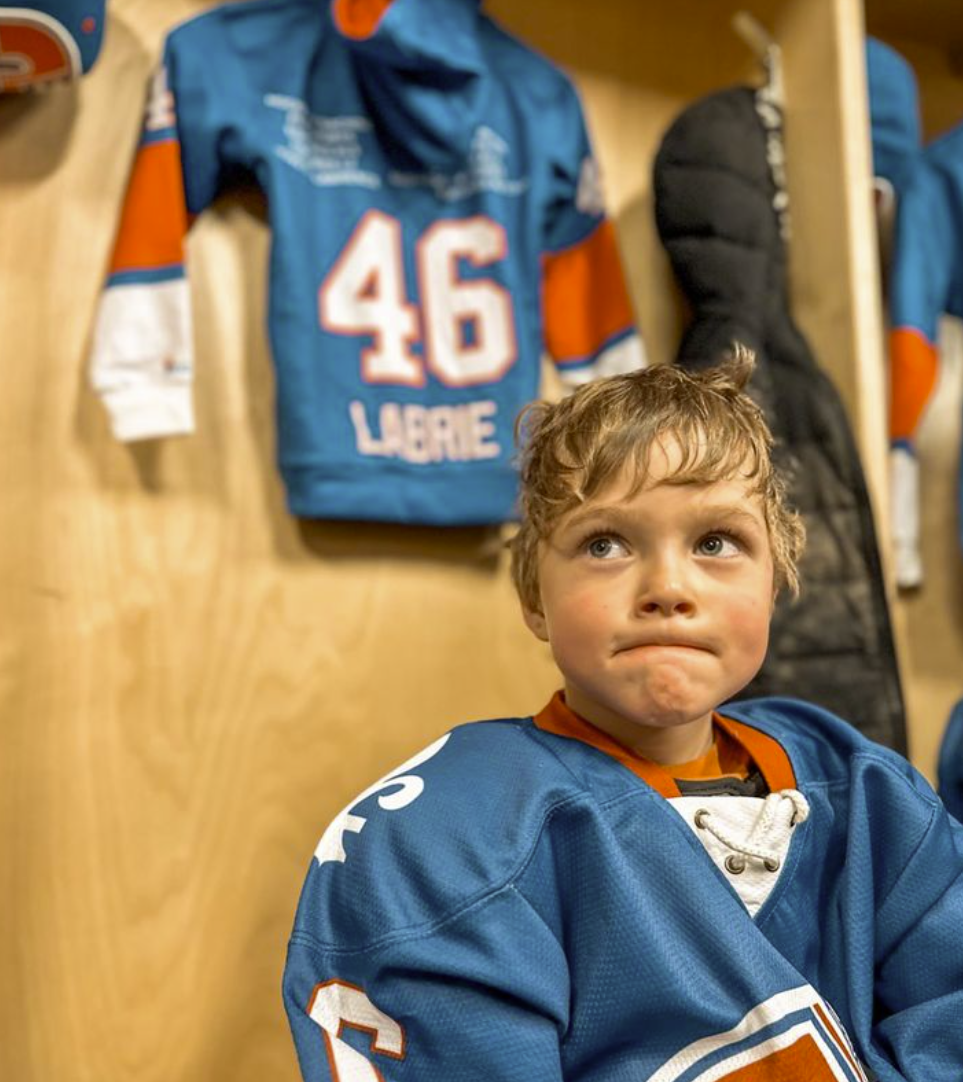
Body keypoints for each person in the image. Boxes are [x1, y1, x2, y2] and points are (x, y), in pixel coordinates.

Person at [282, 348, 963, 1081]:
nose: (667, 587)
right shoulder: (444, 845)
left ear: (775, 581)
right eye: (604, 544)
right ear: (534, 596)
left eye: (716, 542)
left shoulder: (869, 794)